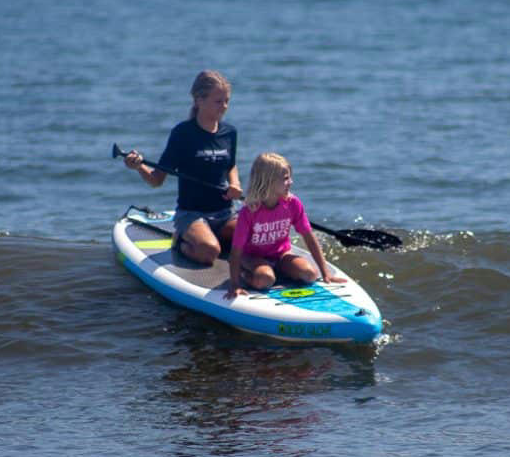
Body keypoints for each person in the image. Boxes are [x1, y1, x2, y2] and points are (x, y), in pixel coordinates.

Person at [123, 70, 242, 265]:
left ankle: (213, 238)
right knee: (209, 252)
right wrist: (138, 166)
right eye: (218, 101)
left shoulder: (230, 132)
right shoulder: (183, 134)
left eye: (226, 101)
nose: (224, 106)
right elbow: (156, 180)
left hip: (225, 213)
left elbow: (231, 165)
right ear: (198, 100)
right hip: (191, 214)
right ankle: (181, 242)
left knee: (252, 241)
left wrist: (235, 184)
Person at [227, 152, 345, 299]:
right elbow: (236, 251)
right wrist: (235, 284)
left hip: (281, 255)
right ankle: (246, 274)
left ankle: (279, 271)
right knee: (265, 279)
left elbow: (309, 238)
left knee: (309, 274)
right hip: (252, 257)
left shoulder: (293, 204)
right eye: (285, 178)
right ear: (268, 181)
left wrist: (325, 273)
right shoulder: (249, 211)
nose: (291, 182)